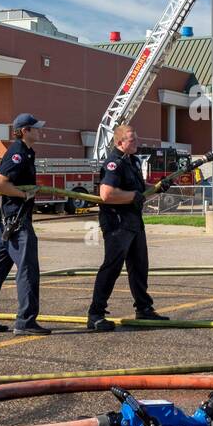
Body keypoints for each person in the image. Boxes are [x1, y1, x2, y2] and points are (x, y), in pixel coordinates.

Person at [86, 124, 170, 331]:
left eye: (136, 138)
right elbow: (107, 194)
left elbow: (140, 192)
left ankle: (144, 308)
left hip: (133, 222)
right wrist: (133, 196)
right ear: (120, 143)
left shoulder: (132, 161)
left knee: (140, 266)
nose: (137, 142)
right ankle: (95, 314)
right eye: (133, 139)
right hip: (117, 224)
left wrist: (158, 187)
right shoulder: (114, 163)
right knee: (112, 267)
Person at [0, 113, 49, 336]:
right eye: (35, 128)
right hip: (15, 221)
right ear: (25, 130)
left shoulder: (25, 153)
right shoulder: (17, 153)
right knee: (27, 269)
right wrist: (22, 195)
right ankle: (26, 321)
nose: (39, 131)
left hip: (6, 222)